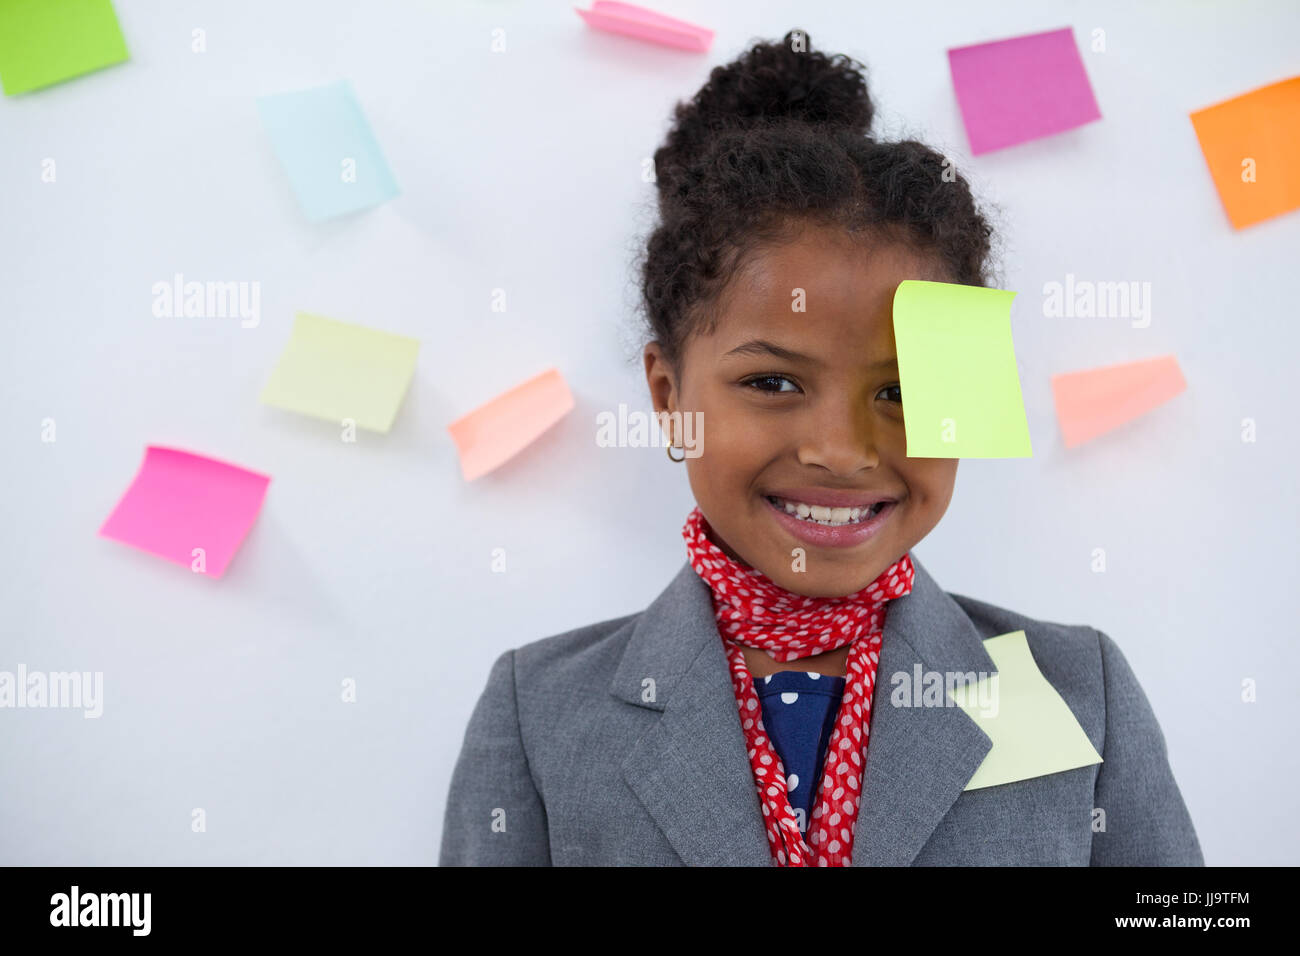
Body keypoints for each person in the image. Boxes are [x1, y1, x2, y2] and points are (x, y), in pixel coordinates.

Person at [439, 30, 1203, 867]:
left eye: (902, 393)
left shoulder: (1075, 689)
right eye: (772, 384)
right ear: (667, 397)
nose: (841, 451)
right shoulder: (542, 713)